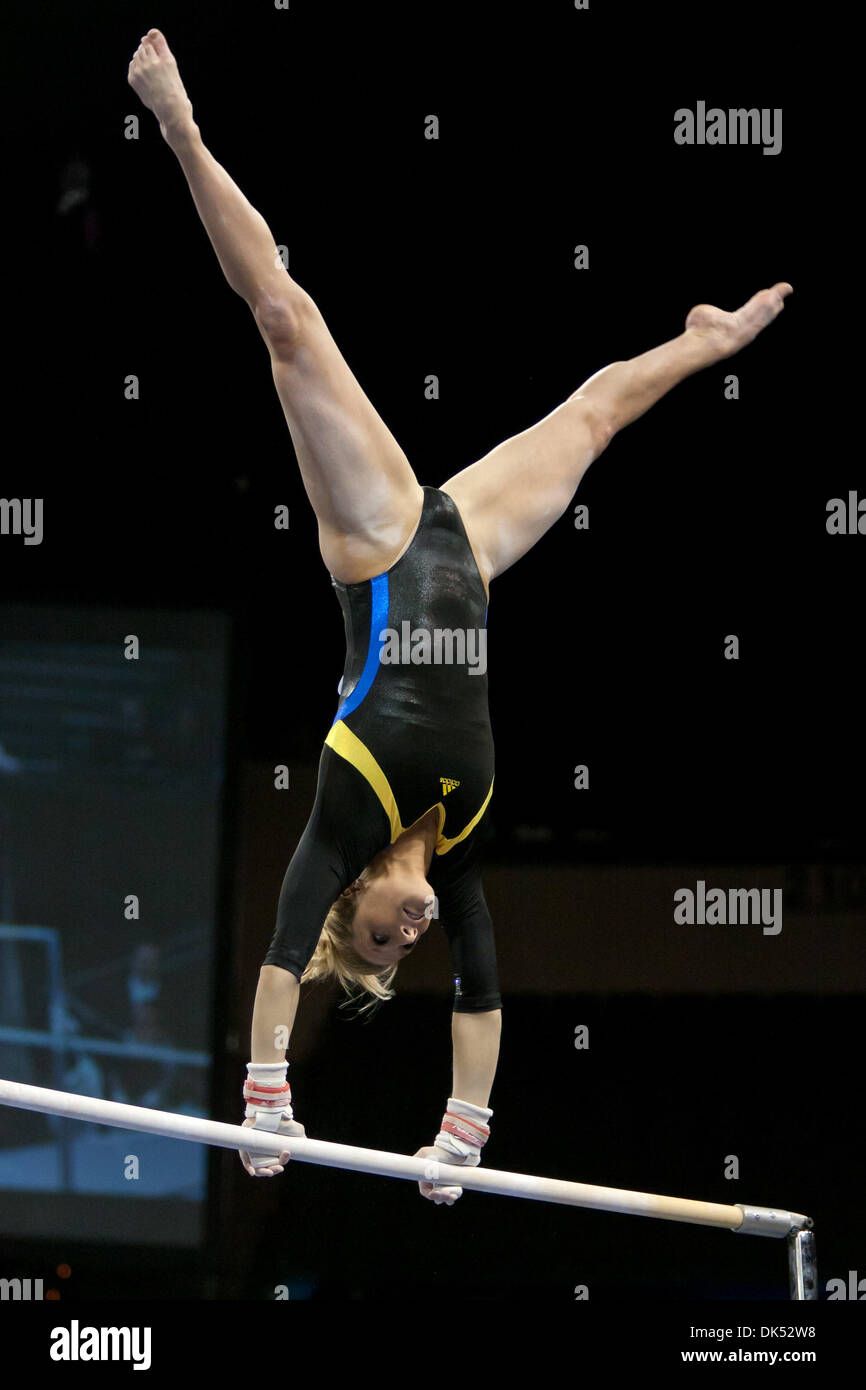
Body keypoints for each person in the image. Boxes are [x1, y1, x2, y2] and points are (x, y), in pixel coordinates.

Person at [128, 28, 792, 1205]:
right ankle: (702, 341)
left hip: (379, 549)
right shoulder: (466, 839)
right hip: (469, 557)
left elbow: (283, 958)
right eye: (409, 943)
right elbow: (483, 990)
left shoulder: (337, 823)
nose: (416, 928)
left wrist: (266, 1095)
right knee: (592, 417)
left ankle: (176, 125)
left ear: (354, 902)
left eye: (385, 936)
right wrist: (462, 1133)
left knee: (286, 319)